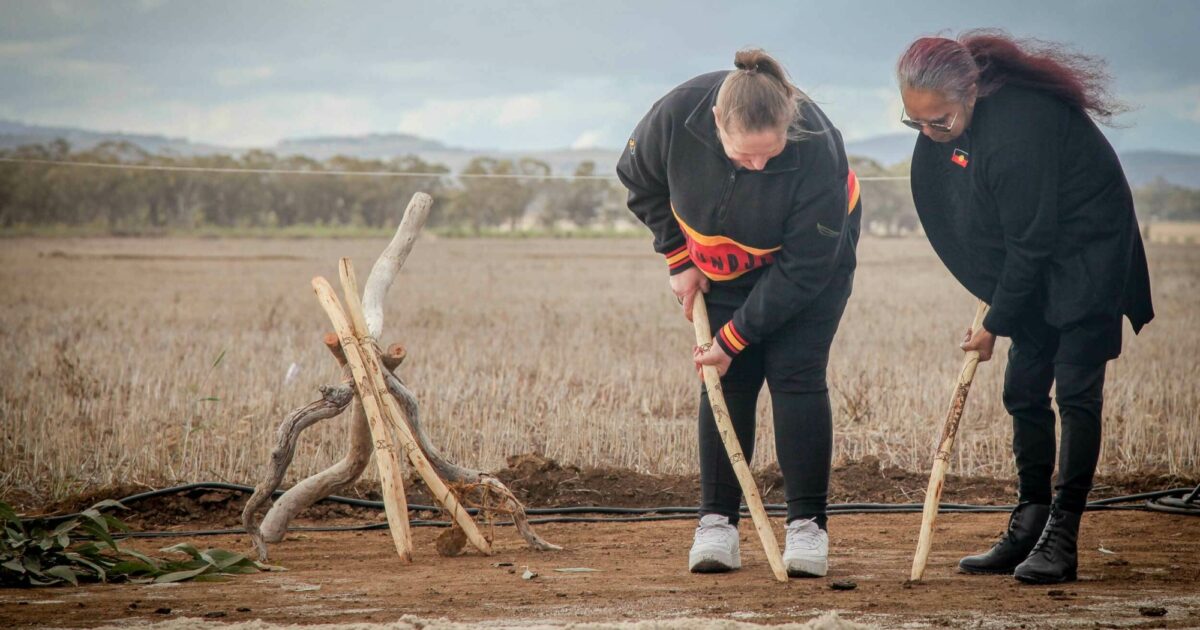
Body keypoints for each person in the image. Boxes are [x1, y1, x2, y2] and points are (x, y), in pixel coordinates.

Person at [896, 31, 1154, 584]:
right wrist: (999, 301)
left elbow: (1029, 241)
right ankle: (1030, 520)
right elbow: (994, 226)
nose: (928, 133)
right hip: (1036, 264)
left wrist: (994, 324)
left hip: (1089, 256)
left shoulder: (1019, 127)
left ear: (971, 94)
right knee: (1023, 390)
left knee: (1077, 392)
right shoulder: (961, 126)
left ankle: (1063, 535)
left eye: (938, 120)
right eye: (915, 122)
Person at [616, 49, 861, 577]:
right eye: (743, 156)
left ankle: (806, 527)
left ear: (788, 125)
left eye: (769, 155)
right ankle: (717, 522)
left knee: (795, 373)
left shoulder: (818, 145)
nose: (757, 166)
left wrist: (734, 337)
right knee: (726, 381)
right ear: (715, 127)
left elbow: (805, 268)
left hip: (809, 268)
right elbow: (639, 179)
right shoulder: (677, 114)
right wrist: (676, 256)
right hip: (719, 262)